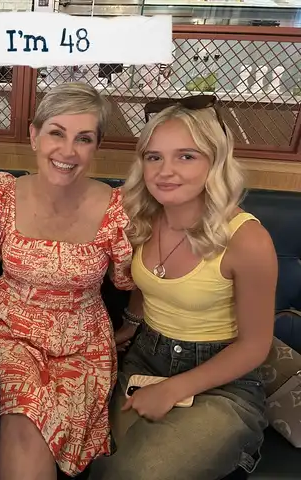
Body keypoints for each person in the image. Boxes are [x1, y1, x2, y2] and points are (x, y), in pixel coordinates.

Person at [92, 96, 278, 480]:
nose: (166, 171)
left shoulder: (247, 240)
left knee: (136, 473)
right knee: (98, 455)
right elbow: (147, 284)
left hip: (221, 380)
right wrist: (129, 323)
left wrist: (174, 389)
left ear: (215, 162)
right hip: (145, 360)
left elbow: (255, 346)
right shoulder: (142, 217)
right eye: (154, 157)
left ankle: (241, 448)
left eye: (186, 156)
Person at [0, 83, 138, 479]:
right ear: (34, 136)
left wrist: (131, 323)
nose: (68, 150)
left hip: (82, 345)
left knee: (21, 427)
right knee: (25, 412)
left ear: (97, 146)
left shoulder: (118, 208)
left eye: (84, 139)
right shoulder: (1, 194)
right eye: (56, 133)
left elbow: (143, 279)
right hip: (7, 329)